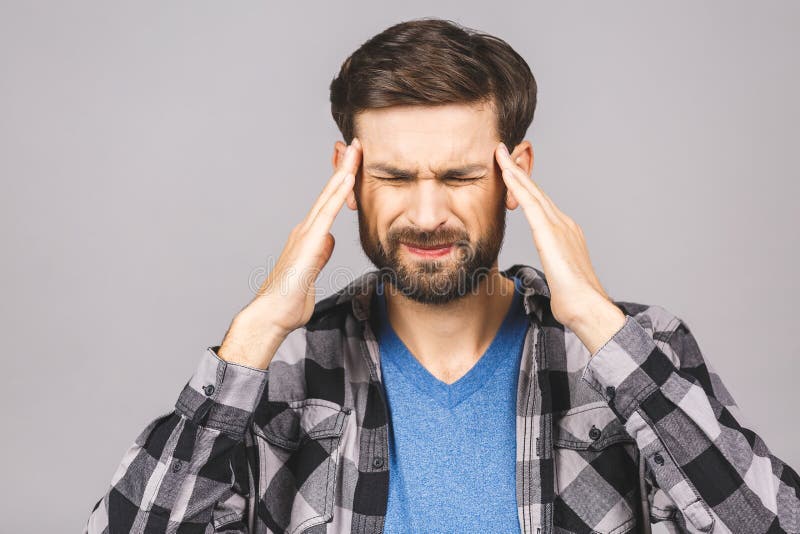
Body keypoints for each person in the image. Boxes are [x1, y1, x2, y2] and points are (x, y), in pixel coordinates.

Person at [84, 17, 800, 534]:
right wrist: (252, 335)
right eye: (395, 178)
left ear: (515, 176)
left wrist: (595, 319)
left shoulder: (637, 349)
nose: (427, 216)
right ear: (347, 175)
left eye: (459, 177)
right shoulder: (280, 371)